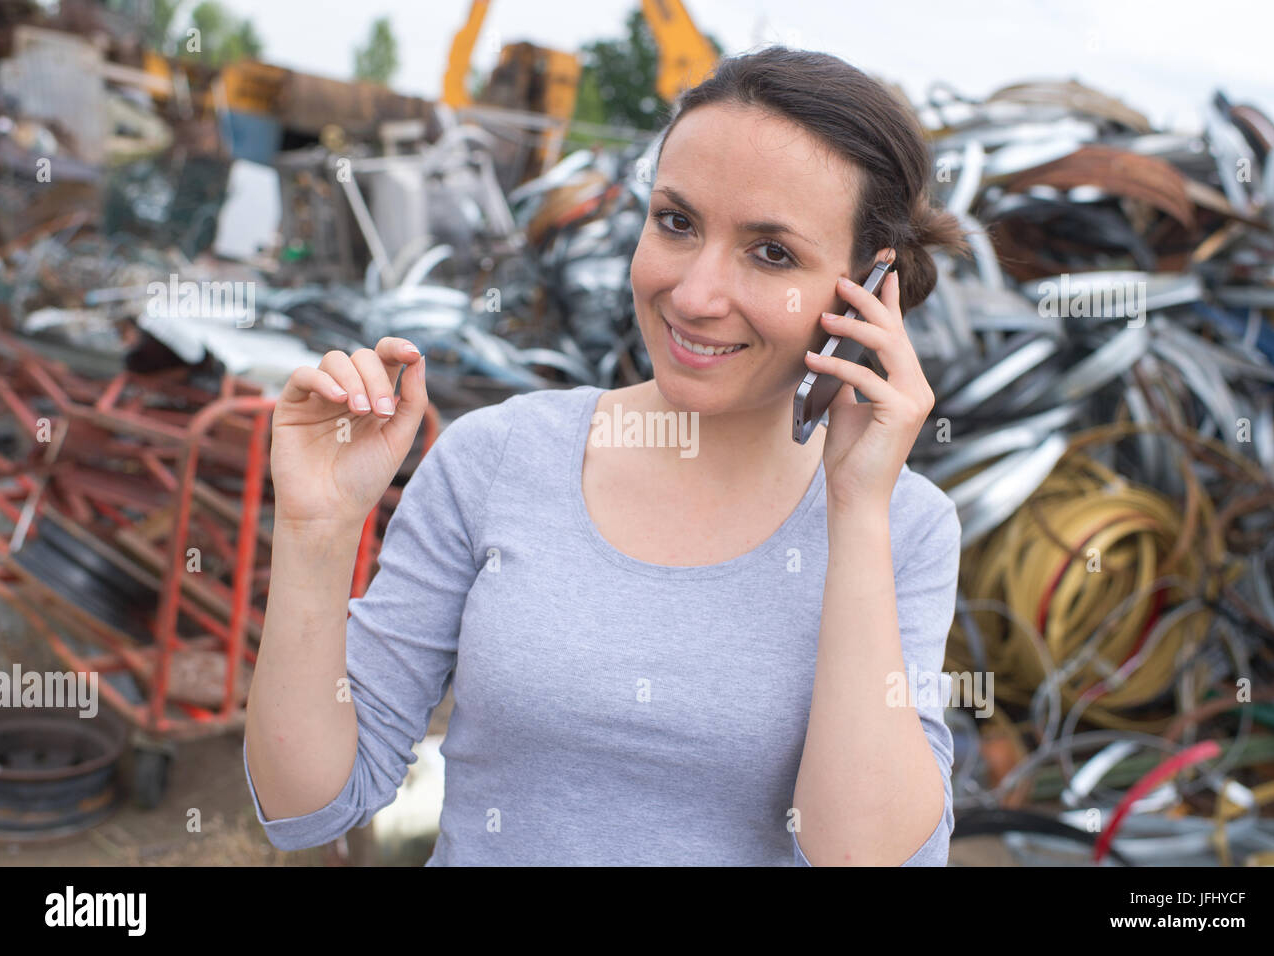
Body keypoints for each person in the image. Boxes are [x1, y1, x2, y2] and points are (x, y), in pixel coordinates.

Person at [244, 45, 967, 866]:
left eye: (772, 253)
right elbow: (306, 804)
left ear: (870, 292)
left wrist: (856, 515)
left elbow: (864, 857)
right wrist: (314, 532)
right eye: (677, 222)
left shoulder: (901, 527)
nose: (693, 295)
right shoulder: (497, 457)